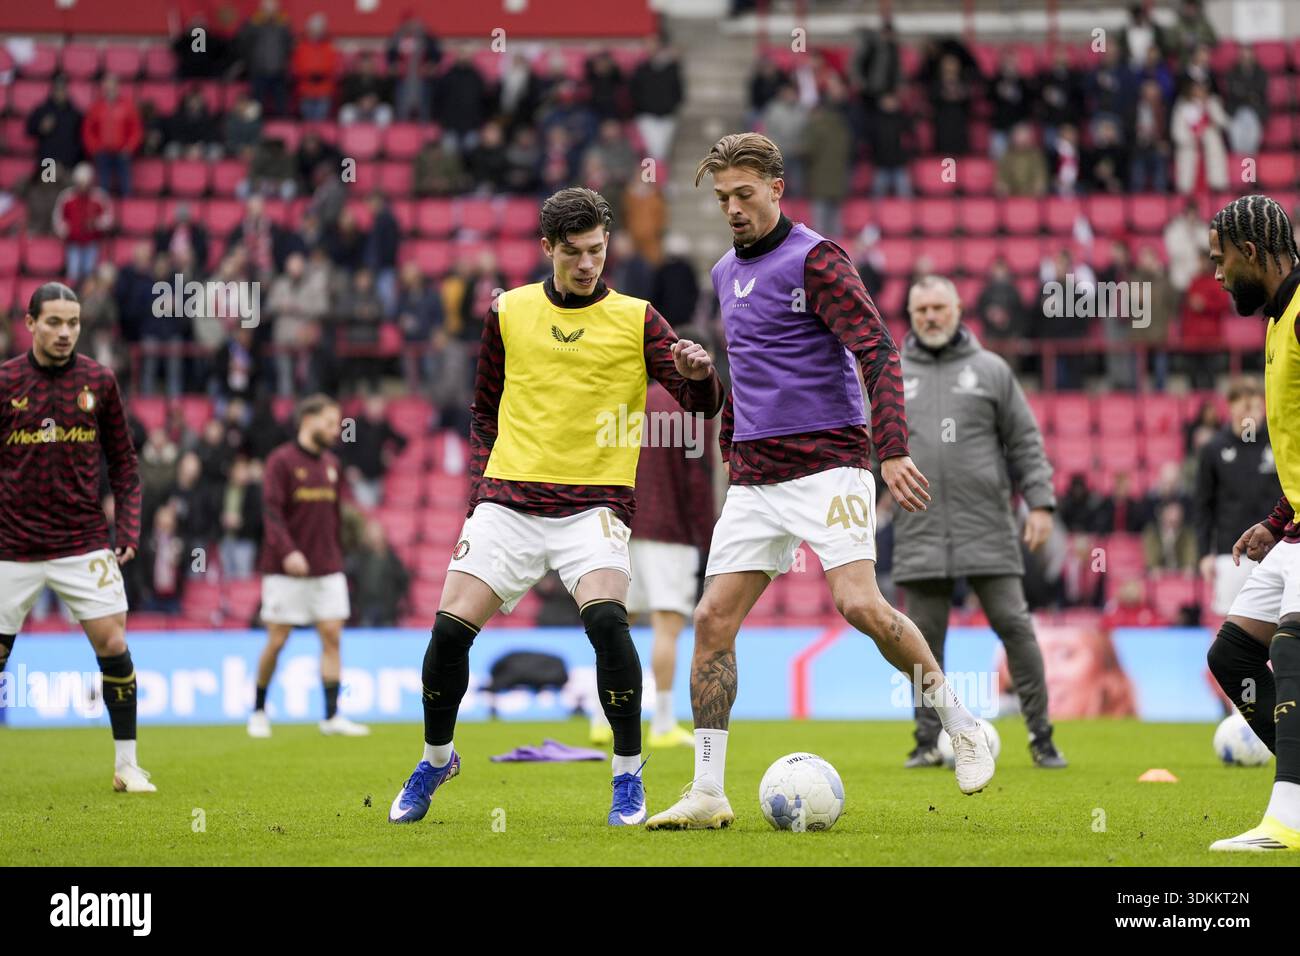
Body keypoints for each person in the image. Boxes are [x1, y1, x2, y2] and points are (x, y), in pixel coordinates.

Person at [646, 134, 994, 832]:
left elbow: (876, 350)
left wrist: (890, 450)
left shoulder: (817, 259)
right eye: (722, 199)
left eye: (744, 194)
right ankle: (709, 790)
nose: (734, 209)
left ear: (777, 186)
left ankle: (962, 723)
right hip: (753, 473)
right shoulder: (720, 273)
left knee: (859, 607)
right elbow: (740, 384)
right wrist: (704, 385)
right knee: (712, 621)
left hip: (829, 462)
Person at [387, 187, 724, 827]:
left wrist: (701, 372)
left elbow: (702, 408)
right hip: (508, 502)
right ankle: (436, 758)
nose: (588, 264)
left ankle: (628, 777)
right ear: (548, 248)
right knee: (447, 633)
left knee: (607, 625)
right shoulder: (508, 312)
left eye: (597, 250)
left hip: (593, 507)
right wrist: (484, 486)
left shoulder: (639, 318)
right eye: (573, 252)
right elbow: (484, 408)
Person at [894, 275, 1068, 768]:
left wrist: (1040, 504)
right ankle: (927, 741)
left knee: (1015, 626)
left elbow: (1026, 442)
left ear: (958, 310)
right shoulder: (888, 373)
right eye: (921, 308)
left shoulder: (991, 370)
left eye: (938, 308)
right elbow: (866, 446)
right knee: (920, 642)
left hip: (986, 525)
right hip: (919, 525)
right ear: (910, 314)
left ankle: (1042, 736)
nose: (930, 316)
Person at [0, 283, 153, 793]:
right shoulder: (5, 383)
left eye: (73, 323)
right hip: (11, 544)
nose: (65, 332)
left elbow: (125, 466)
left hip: (82, 540)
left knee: (114, 642)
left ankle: (127, 766)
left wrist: (127, 528)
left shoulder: (99, 381)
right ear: (30, 323)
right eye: (54, 323)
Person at [1204, 194, 1300, 851]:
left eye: (1220, 259)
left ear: (1252, 253)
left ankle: (1289, 818)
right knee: (1234, 652)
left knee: (1292, 646)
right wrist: (1276, 519)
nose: (1215, 274)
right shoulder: (1277, 318)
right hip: (1297, 528)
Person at [598, 378, 714, 749]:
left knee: (615, 625)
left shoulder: (628, 399)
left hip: (621, 525)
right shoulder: (691, 407)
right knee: (667, 627)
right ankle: (662, 721)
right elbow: (696, 479)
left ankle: (602, 720)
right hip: (669, 532)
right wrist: (708, 538)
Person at [248, 394, 370, 739]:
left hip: (327, 567)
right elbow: (271, 513)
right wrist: (287, 551)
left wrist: (340, 553)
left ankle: (331, 716)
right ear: (309, 419)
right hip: (286, 569)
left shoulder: (332, 465)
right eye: (331, 423)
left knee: (332, 636)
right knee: (278, 640)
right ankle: (258, 709)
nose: (337, 430)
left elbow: (334, 517)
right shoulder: (281, 462)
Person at [1195, 377, 1282, 618]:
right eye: (1246, 408)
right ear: (1231, 407)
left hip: (1274, 551)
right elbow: (1203, 506)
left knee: (1277, 622)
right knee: (1231, 625)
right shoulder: (1213, 449)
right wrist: (1204, 553)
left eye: (1257, 408)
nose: (1253, 415)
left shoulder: (1277, 444)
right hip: (1230, 553)